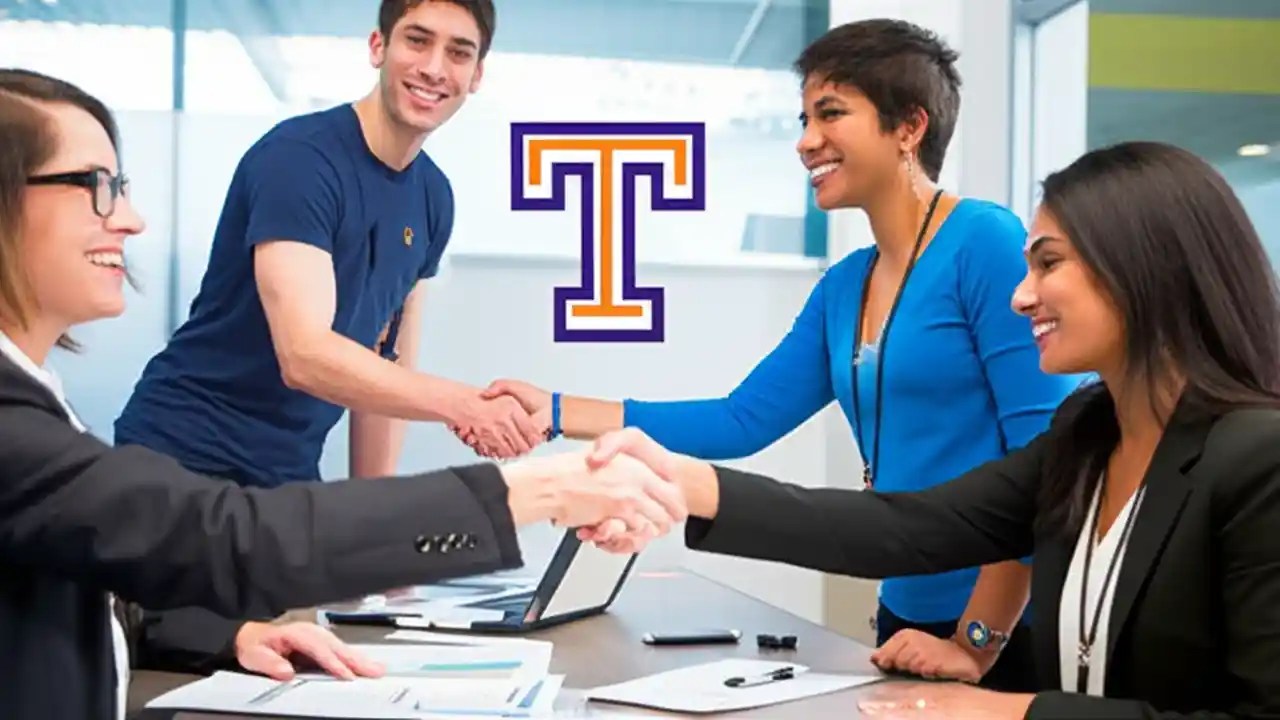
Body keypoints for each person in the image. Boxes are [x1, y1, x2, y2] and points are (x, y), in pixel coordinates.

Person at [0, 68, 684, 720]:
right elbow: (247, 496)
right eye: (94, 186)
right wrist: (537, 491)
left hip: (266, 501)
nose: (130, 220)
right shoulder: (13, 429)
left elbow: (109, 588)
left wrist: (228, 635)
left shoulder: (38, 403)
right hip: (210, 478)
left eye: (119, 185)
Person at [473, 18, 1079, 690]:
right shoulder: (846, 284)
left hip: (1001, 627)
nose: (805, 141)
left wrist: (977, 642)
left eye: (831, 113)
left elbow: (1046, 467)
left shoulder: (985, 243)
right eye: (804, 117)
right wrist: (554, 410)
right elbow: (741, 420)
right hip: (901, 614)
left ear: (909, 126)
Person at [584, 140, 1280, 719]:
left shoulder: (1257, 459)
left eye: (1049, 262)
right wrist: (687, 484)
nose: (1021, 294)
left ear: (1144, 268)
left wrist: (1012, 710)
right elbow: (909, 527)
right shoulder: (1089, 434)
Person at [109, 0, 546, 680]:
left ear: (478, 74)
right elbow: (306, 355)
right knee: (181, 671)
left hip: (286, 482)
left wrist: (382, 531)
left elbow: (387, 358)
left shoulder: (434, 197)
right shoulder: (300, 159)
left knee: (302, 675)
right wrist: (464, 405)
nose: (434, 68)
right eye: (417, 41)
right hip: (183, 463)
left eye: (458, 52)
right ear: (377, 45)